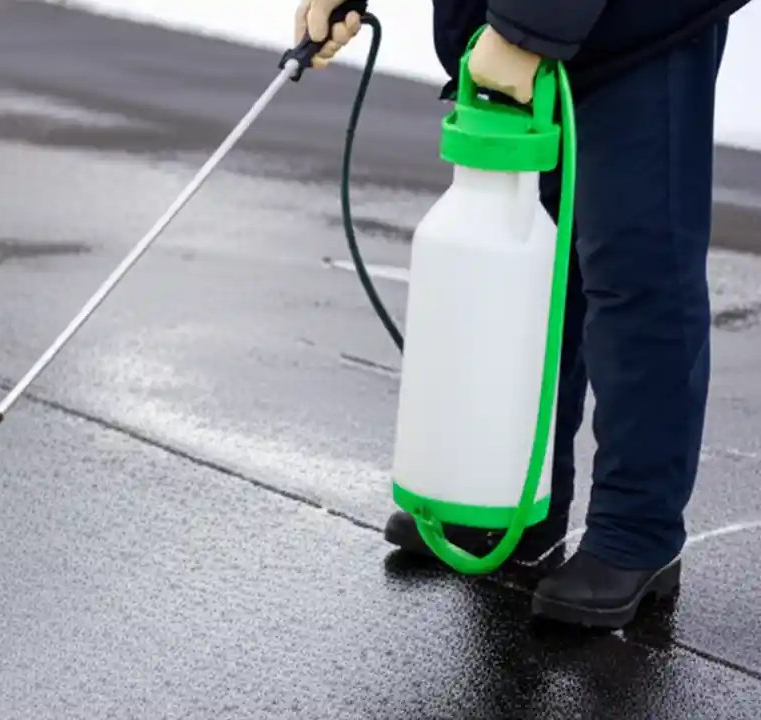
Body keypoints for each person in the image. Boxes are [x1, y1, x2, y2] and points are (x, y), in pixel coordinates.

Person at [294, 0, 750, 628]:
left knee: (637, 261)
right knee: (527, 247)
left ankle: (636, 532)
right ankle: (518, 504)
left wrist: (528, 26)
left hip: (640, 17)